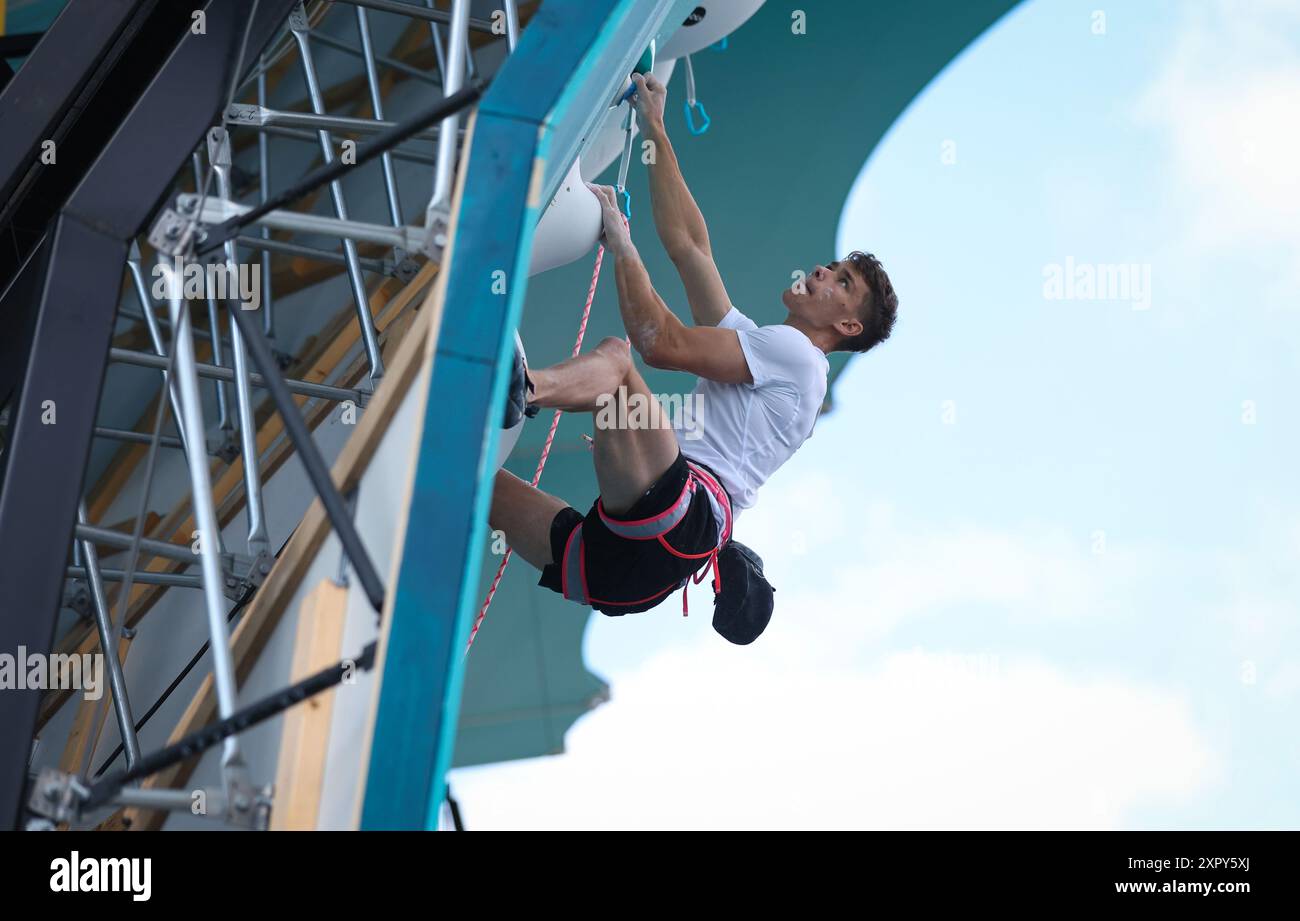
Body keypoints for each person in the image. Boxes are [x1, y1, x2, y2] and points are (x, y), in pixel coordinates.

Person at [490, 73, 898, 643]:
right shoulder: (773, 359)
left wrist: (620, 242)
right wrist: (655, 125)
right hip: (625, 574)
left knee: (617, 362)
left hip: (677, 519)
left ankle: (516, 390)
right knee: (477, 482)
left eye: (843, 281)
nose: (824, 271)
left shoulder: (799, 357)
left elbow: (662, 344)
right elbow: (690, 248)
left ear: (847, 325)